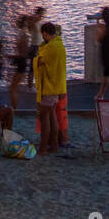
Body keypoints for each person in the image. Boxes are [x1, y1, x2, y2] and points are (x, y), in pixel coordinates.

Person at [33, 21, 67, 156]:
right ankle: (54, 146)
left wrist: (36, 58)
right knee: (53, 116)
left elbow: (39, 61)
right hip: (57, 87)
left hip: (48, 87)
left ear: (46, 34)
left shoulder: (51, 47)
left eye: (43, 35)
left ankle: (43, 148)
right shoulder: (60, 45)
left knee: (44, 117)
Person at [8, 15, 30, 110]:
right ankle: (15, 108)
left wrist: (11, 56)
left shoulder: (23, 36)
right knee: (14, 88)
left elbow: (23, 54)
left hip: (21, 64)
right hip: (22, 63)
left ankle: (14, 109)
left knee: (12, 89)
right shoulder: (24, 35)